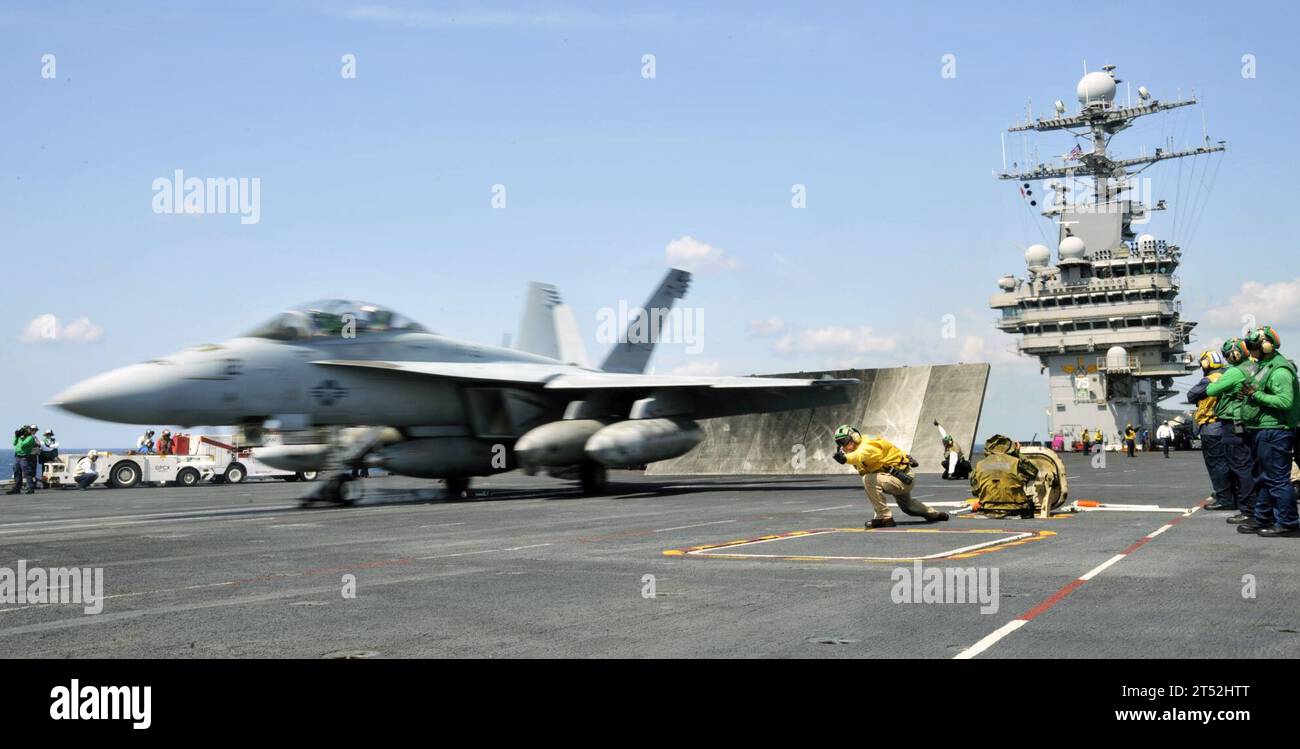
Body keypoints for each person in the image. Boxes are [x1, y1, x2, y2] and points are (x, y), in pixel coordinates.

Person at [1234, 326, 1300, 537]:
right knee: (1263, 477)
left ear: (1266, 346)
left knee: (1277, 479)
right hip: (1263, 429)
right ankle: (1263, 517)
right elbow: (1256, 388)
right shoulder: (1265, 366)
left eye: (1253, 346)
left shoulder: (1280, 371)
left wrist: (1255, 395)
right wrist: (1246, 393)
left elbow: (1285, 401)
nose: (1251, 351)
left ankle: (1288, 522)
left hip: (1275, 430)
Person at [832, 424, 948, 528]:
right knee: (908, 507)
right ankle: (935, 515)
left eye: (844, 441)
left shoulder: (867, 445)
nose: (843, 446)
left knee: (868, 480)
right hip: (894, 477)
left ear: (855, 437)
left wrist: (845, 458)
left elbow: (860, 455)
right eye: (839, 443)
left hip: (902, 478)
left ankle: (884, 517)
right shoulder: (858, 447)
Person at [1207, 337, 1259, 521]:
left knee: (1240, 467)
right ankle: (1255, 507)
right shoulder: (1254, 366)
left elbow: (1211, 390)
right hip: (1248, 422)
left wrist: (1216, 382)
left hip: (1233, 423)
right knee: (1250, 466)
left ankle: (1249, 510)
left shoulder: (1235, 371)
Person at [1188, 350, 1235, 510]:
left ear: (1206, 363)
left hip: (1212, 427)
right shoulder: (1229, 374)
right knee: (1231, 463)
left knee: (1216, 464)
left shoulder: (1209, 379)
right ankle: (1231, 494)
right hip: (1229, 426)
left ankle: (1224, 499)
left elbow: (1191, 395)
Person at [970, 434, 1039, 518]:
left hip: (987, 507)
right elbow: (1034, 472)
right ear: (1011, 448)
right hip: (1015, 508)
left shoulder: (979, 464)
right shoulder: (1016, 461)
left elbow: (974, 490)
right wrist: (1017, 453)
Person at [7, 426, 38, 495]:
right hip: (17, 456)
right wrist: (16, 436)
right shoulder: (21, 437)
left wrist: (21, 438)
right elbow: (14, 443)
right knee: (17, 472)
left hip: (24, 457)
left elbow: (23, 445)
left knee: (27, 473)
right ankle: (16, 488)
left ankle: (30, 488)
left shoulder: (30, 438)